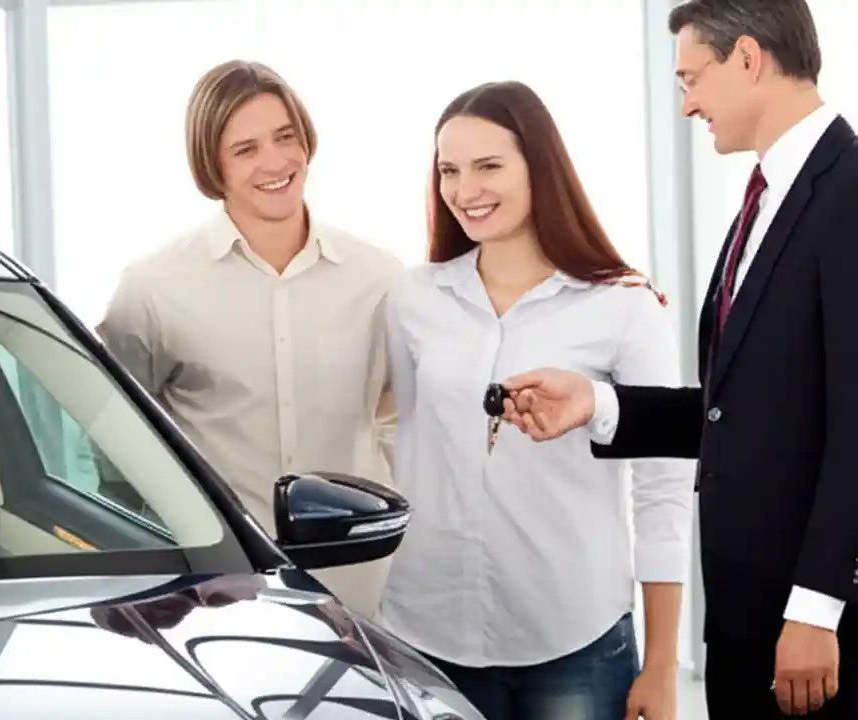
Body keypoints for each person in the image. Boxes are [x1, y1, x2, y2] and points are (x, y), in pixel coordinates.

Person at [501, 1, 858, 717]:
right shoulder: (767, 198)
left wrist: (819, 607)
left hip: (813, 624)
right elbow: (743, 412)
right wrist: (598, 403)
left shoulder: (849, 191)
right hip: (747, 614)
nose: (688, 104)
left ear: (748, 58)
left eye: (691, 78)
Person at [376, 79, 692, 720]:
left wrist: (661, 665)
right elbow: (404, 442)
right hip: (426, 631)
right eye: (449, 170)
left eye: (488, 166)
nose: (465, 190)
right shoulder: (414, 298)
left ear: (539, 167)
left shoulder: (625, 307)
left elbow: (662, 493)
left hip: (574, 638)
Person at [96, 59, 403, 617]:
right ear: (212, 165)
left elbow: (401, 419)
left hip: (362, 593)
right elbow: (113, 439)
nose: (275, 162)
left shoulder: (379, 278)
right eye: (246, 149)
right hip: (219, 595)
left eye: (285, 137)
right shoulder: (153, 288)